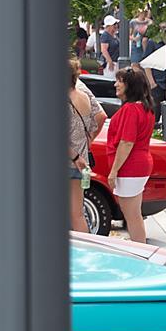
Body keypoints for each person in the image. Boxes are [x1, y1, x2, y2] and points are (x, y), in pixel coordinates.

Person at [105, 66, 155, 243]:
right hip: (138, 164)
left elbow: (127, 142)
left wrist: (114, 171)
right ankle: (139, 248)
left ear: (130, 85)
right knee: (134, 214)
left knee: (131, 215)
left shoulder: (131, 110)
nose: (116, 84)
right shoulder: (144, 107)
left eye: (120, 81)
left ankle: (140, 252)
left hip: (130, 167)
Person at [66, 59, 106, 234]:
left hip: (67, 160)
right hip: (80, 162)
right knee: (78, 214)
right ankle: (85, 249)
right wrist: (89, 139)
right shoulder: (84, 96)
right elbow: (100, 117)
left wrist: (73, 155)